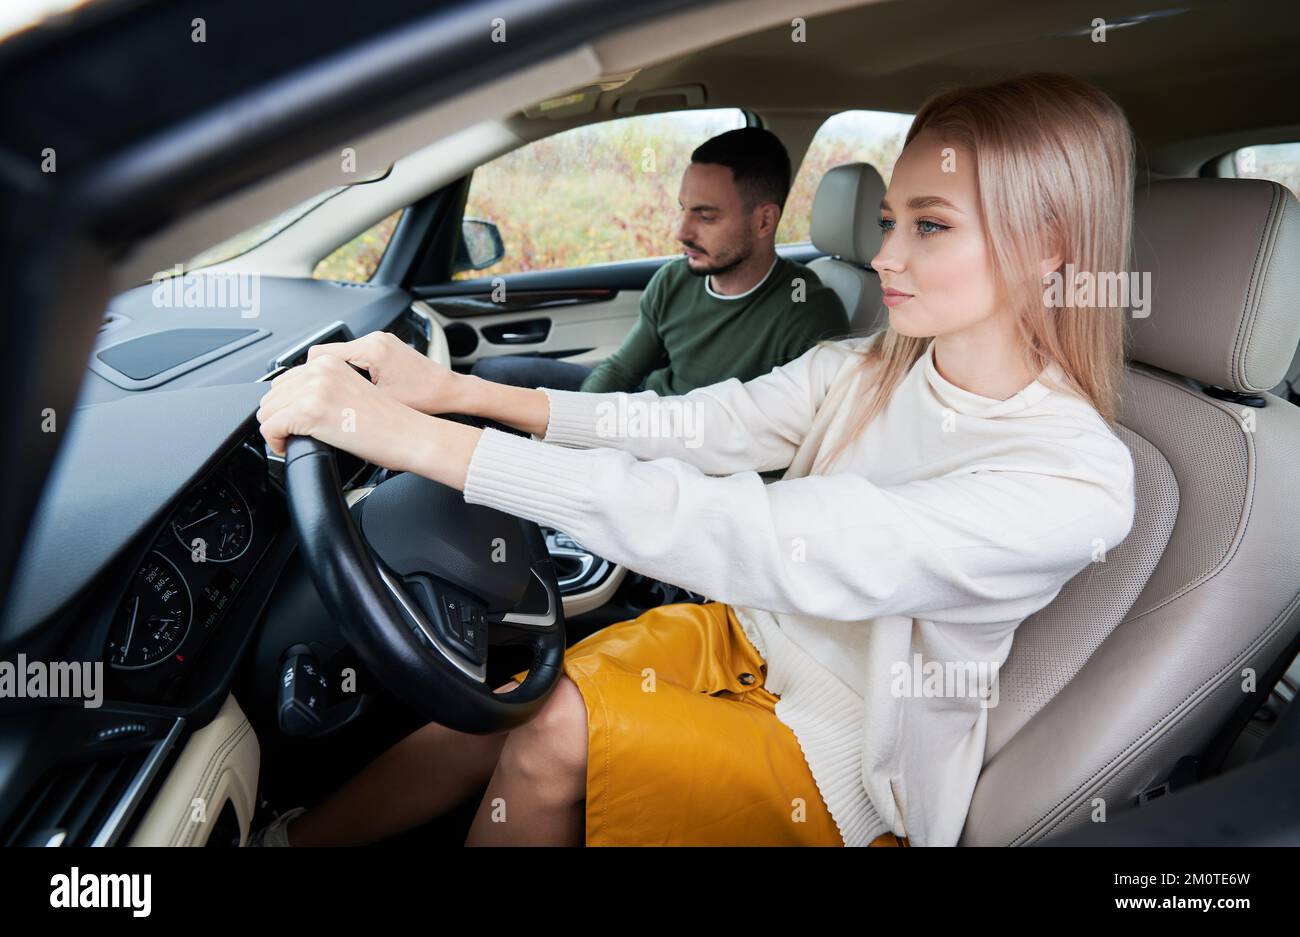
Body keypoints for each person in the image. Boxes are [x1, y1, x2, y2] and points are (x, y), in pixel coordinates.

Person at [252, 72, 1138, 847]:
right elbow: (691, 425)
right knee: (517, 693)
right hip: (745, 635)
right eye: (888, 220)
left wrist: (418, 443)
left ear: (1047, 245)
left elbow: (761, 532)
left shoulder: (1075, 482)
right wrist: (460, 396)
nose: (885, 255)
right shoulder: (872, 364)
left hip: (845, 765)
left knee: (554, 728)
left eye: (929, 226)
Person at [468, 126, 849, 394]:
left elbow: (785, 437)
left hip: (689, 455)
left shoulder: (808, 313)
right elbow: (620, 370)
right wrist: (579, 426)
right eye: (683, 210)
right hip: (645, 409)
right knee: (492, 373)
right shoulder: (675, 280)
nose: (681, 233)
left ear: (764, 220)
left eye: (706, 216)